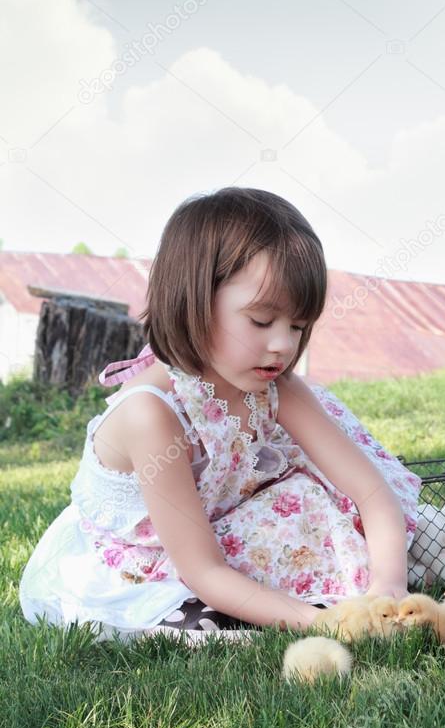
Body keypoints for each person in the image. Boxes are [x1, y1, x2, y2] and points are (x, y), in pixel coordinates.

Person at [19, 187, 422, 645]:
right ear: (194, 300)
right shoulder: (152, 416)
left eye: (298, 326)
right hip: (152, 561)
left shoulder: (276, 385)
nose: (284, 346)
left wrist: (389, 588)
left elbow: (371, 492)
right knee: (205, 623)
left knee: (336, 515)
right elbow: (204, 569)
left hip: (221, 524)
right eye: (261, 321)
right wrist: (324, 623)